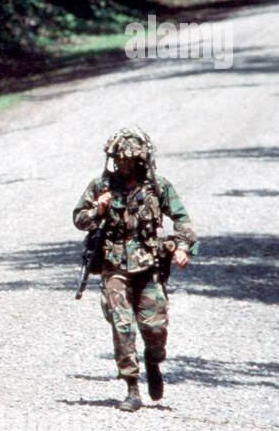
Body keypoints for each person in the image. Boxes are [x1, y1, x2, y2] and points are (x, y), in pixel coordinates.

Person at [72, 127, 198, 411]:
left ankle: (153, 360)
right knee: (122, 325)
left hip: (149, 266)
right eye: (119, 159)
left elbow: (183, 220)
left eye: (129, 159)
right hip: (114, 266)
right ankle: (131, 387)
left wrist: (181, 247)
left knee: (155, 328)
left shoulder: (157, 187)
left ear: (141, 160)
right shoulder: (101, 187)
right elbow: (78, 218)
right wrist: (98, 211)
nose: (123, 164)